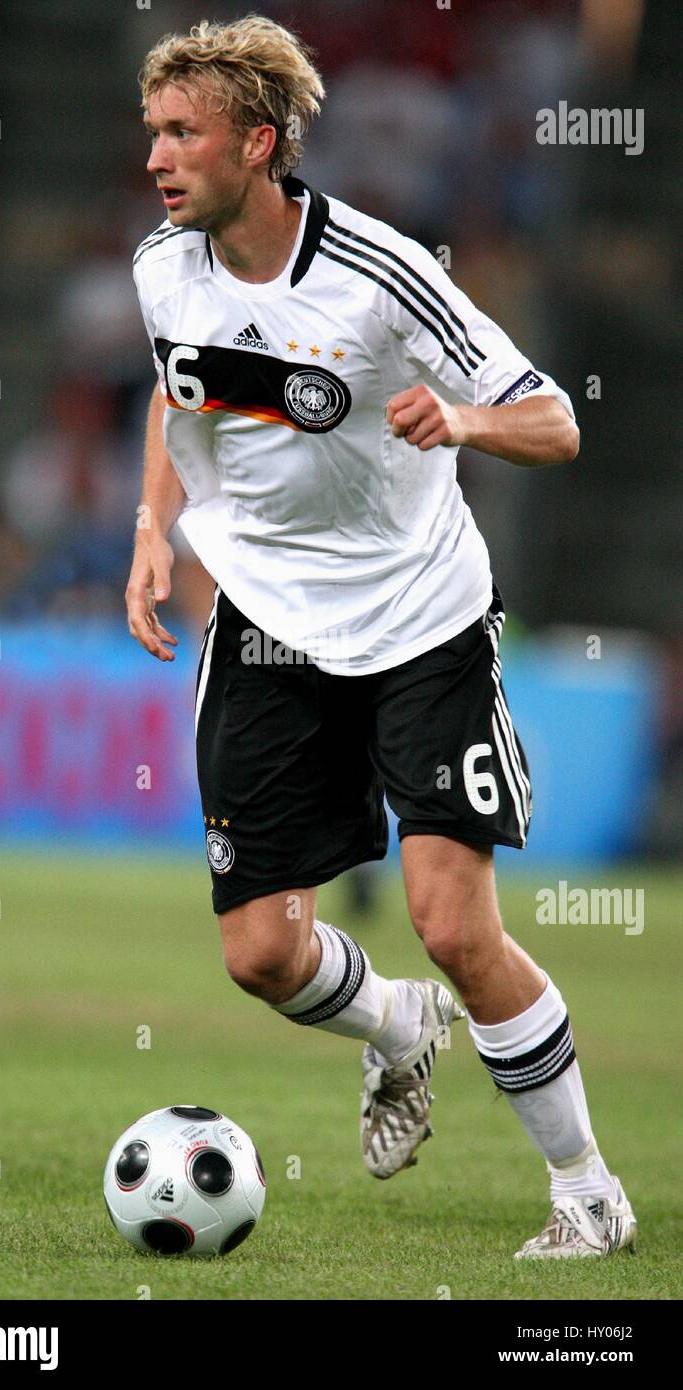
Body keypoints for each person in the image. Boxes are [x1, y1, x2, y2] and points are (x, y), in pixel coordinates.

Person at [126, 15, 636, 1260]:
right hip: (266, 625)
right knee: (259, 951)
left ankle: (585, 1190)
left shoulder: (378, 271)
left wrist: (458, 419)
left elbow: (554, 421)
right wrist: (155, 519)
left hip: (418, 621)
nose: (156, 157)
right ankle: (397, 1024)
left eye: (182, 133)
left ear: (259, 141)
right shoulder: (161, 266)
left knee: (453, 923)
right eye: (152, 132)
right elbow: (177, 383)